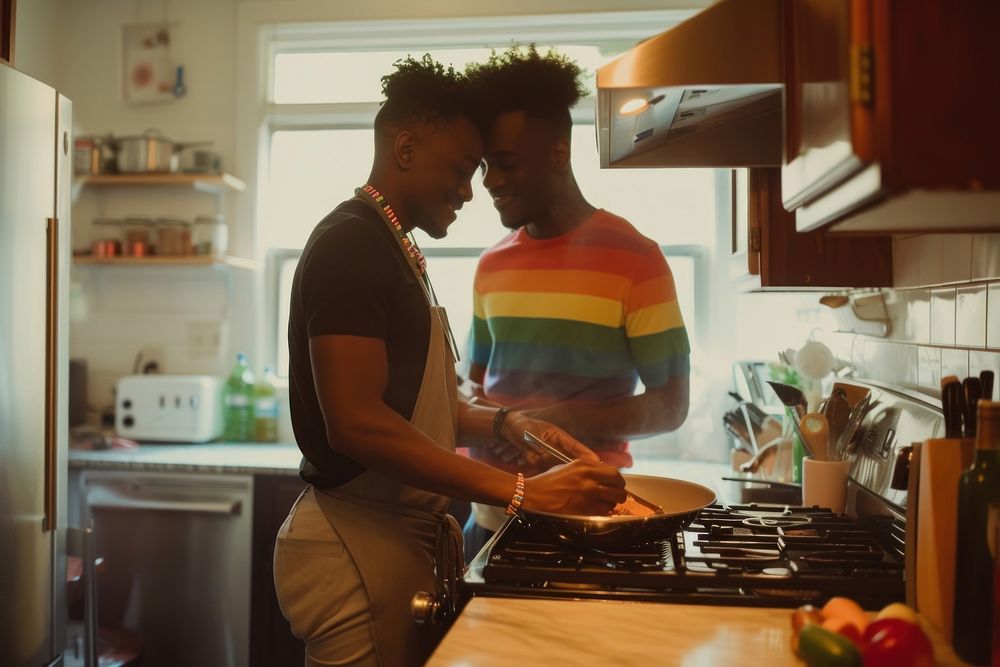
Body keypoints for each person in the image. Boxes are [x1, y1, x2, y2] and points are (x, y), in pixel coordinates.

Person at [272, 55, 627, 667]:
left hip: (390, 537)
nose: (471, 190)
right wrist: (522, 492)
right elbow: (356, 423)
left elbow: (416, 410)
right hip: (352, 546)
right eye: (462, 170)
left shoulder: (394, 247)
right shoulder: (351, 245)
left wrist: (505, 423)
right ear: (406, 147)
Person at [461, 47, 692, 560]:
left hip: (584, 531)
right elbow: (471, 387)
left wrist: (554, 421)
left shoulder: (637, 259)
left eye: (506, 164)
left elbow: (671, 406)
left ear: (559, 155)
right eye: (484, 167)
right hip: (486, 520)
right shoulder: (490, 264)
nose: (489, 182)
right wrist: (500, 423)